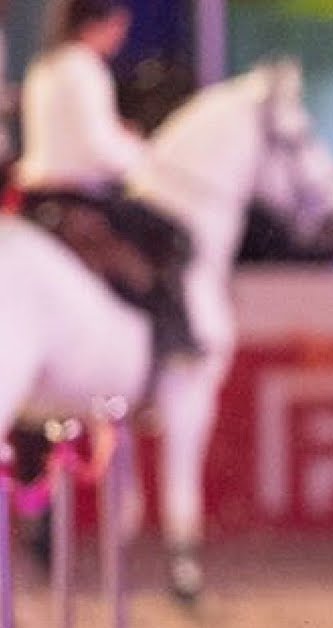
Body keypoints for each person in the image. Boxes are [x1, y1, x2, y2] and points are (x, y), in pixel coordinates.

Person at [14, 0, 200, 359]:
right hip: (78, 199)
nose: (121, 37)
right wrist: (148, 162)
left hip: (33, 200)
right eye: (118, 27)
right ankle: (175, 344)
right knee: (171, 238)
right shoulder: (84, 67)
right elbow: (98, 147)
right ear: (101, 24)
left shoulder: (45, 66)